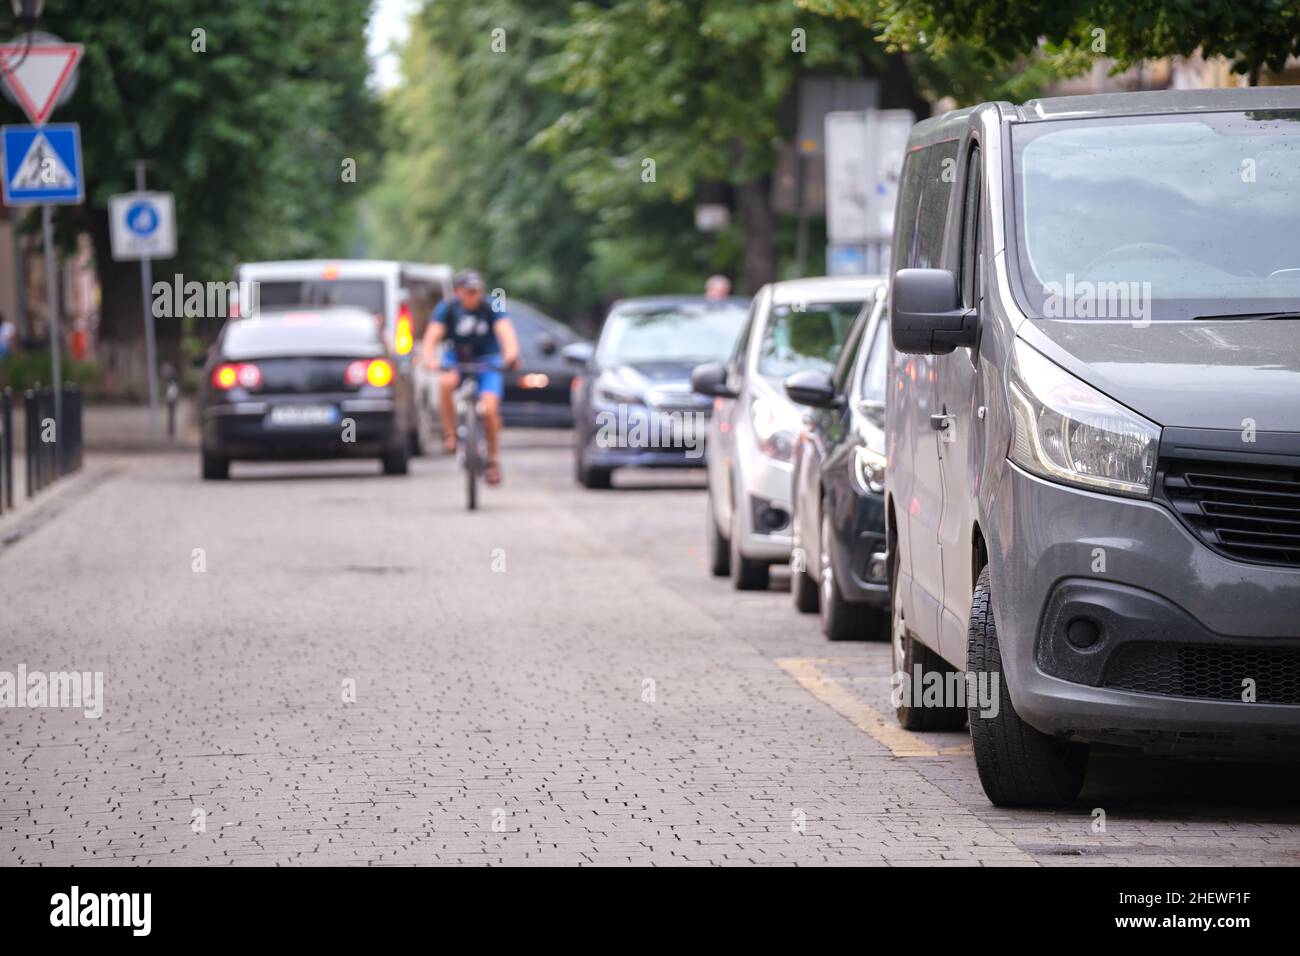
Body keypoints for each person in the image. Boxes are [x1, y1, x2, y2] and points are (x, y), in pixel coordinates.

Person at [421, 269, 519, 486]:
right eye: (469, 292)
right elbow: (432, 336)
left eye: (477, 291)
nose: (474, 296)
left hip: (487, 360)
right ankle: (450, 434)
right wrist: (429, 358)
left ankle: (493, 461)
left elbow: (506, 332)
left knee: (491, 408)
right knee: (445, 382)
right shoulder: (447, 308)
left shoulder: (492, 305)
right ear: (459, 292)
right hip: (457, 358)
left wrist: (511, 355)